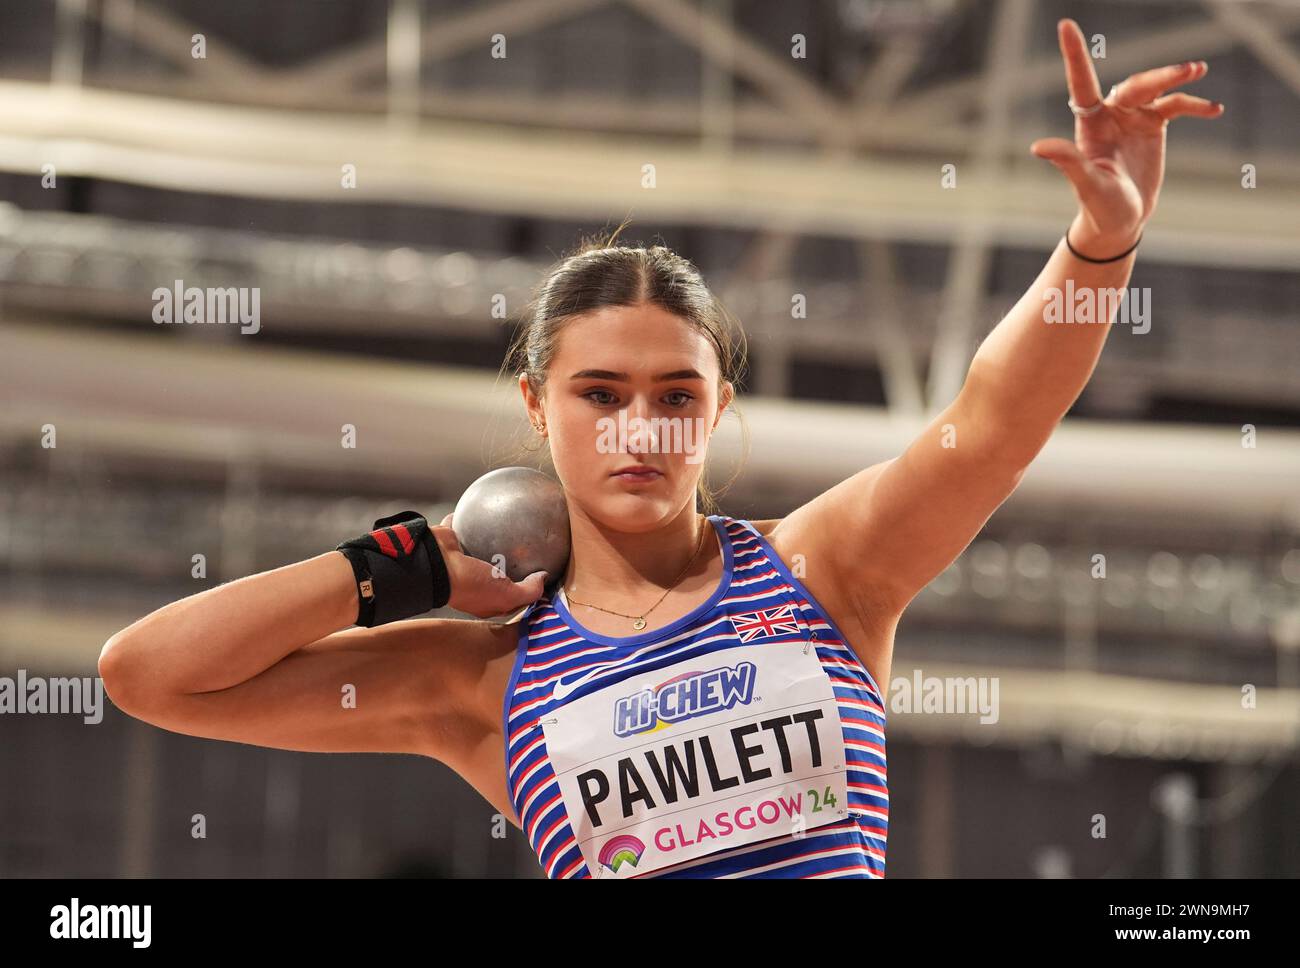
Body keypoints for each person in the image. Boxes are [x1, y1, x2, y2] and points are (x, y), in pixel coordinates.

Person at [99, 19, 1223, 879]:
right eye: (599, 392)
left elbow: (989, 424)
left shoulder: (824, 569)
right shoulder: (482, 680)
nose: (640, 425)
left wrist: (1100, 245)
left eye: (675, 391)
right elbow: (147, 675)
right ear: (538, 409)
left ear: (718, 404)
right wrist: (411, 564)